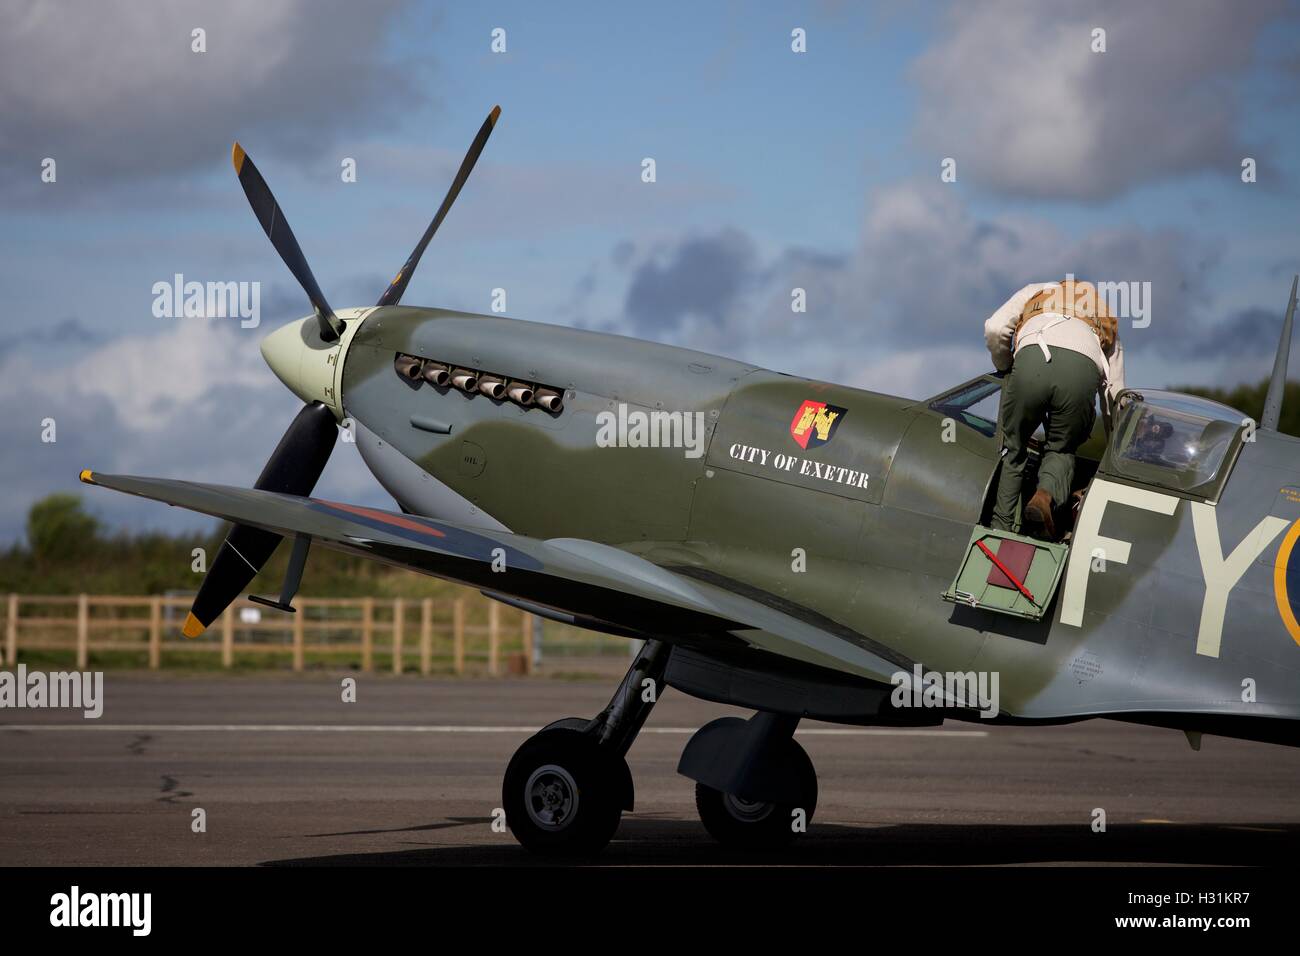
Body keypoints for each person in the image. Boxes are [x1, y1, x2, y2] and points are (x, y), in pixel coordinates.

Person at [984, 278, 1125, 538]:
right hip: (1082, 369)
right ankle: (1044, 497)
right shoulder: (1103, 311)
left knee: (1014, 447)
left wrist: (1005, 365)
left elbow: (995, 328)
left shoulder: (1035, 290)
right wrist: (1115, 453)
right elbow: (1114, 397)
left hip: (1032, 357)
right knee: (1061, 449)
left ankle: (1000, 528)